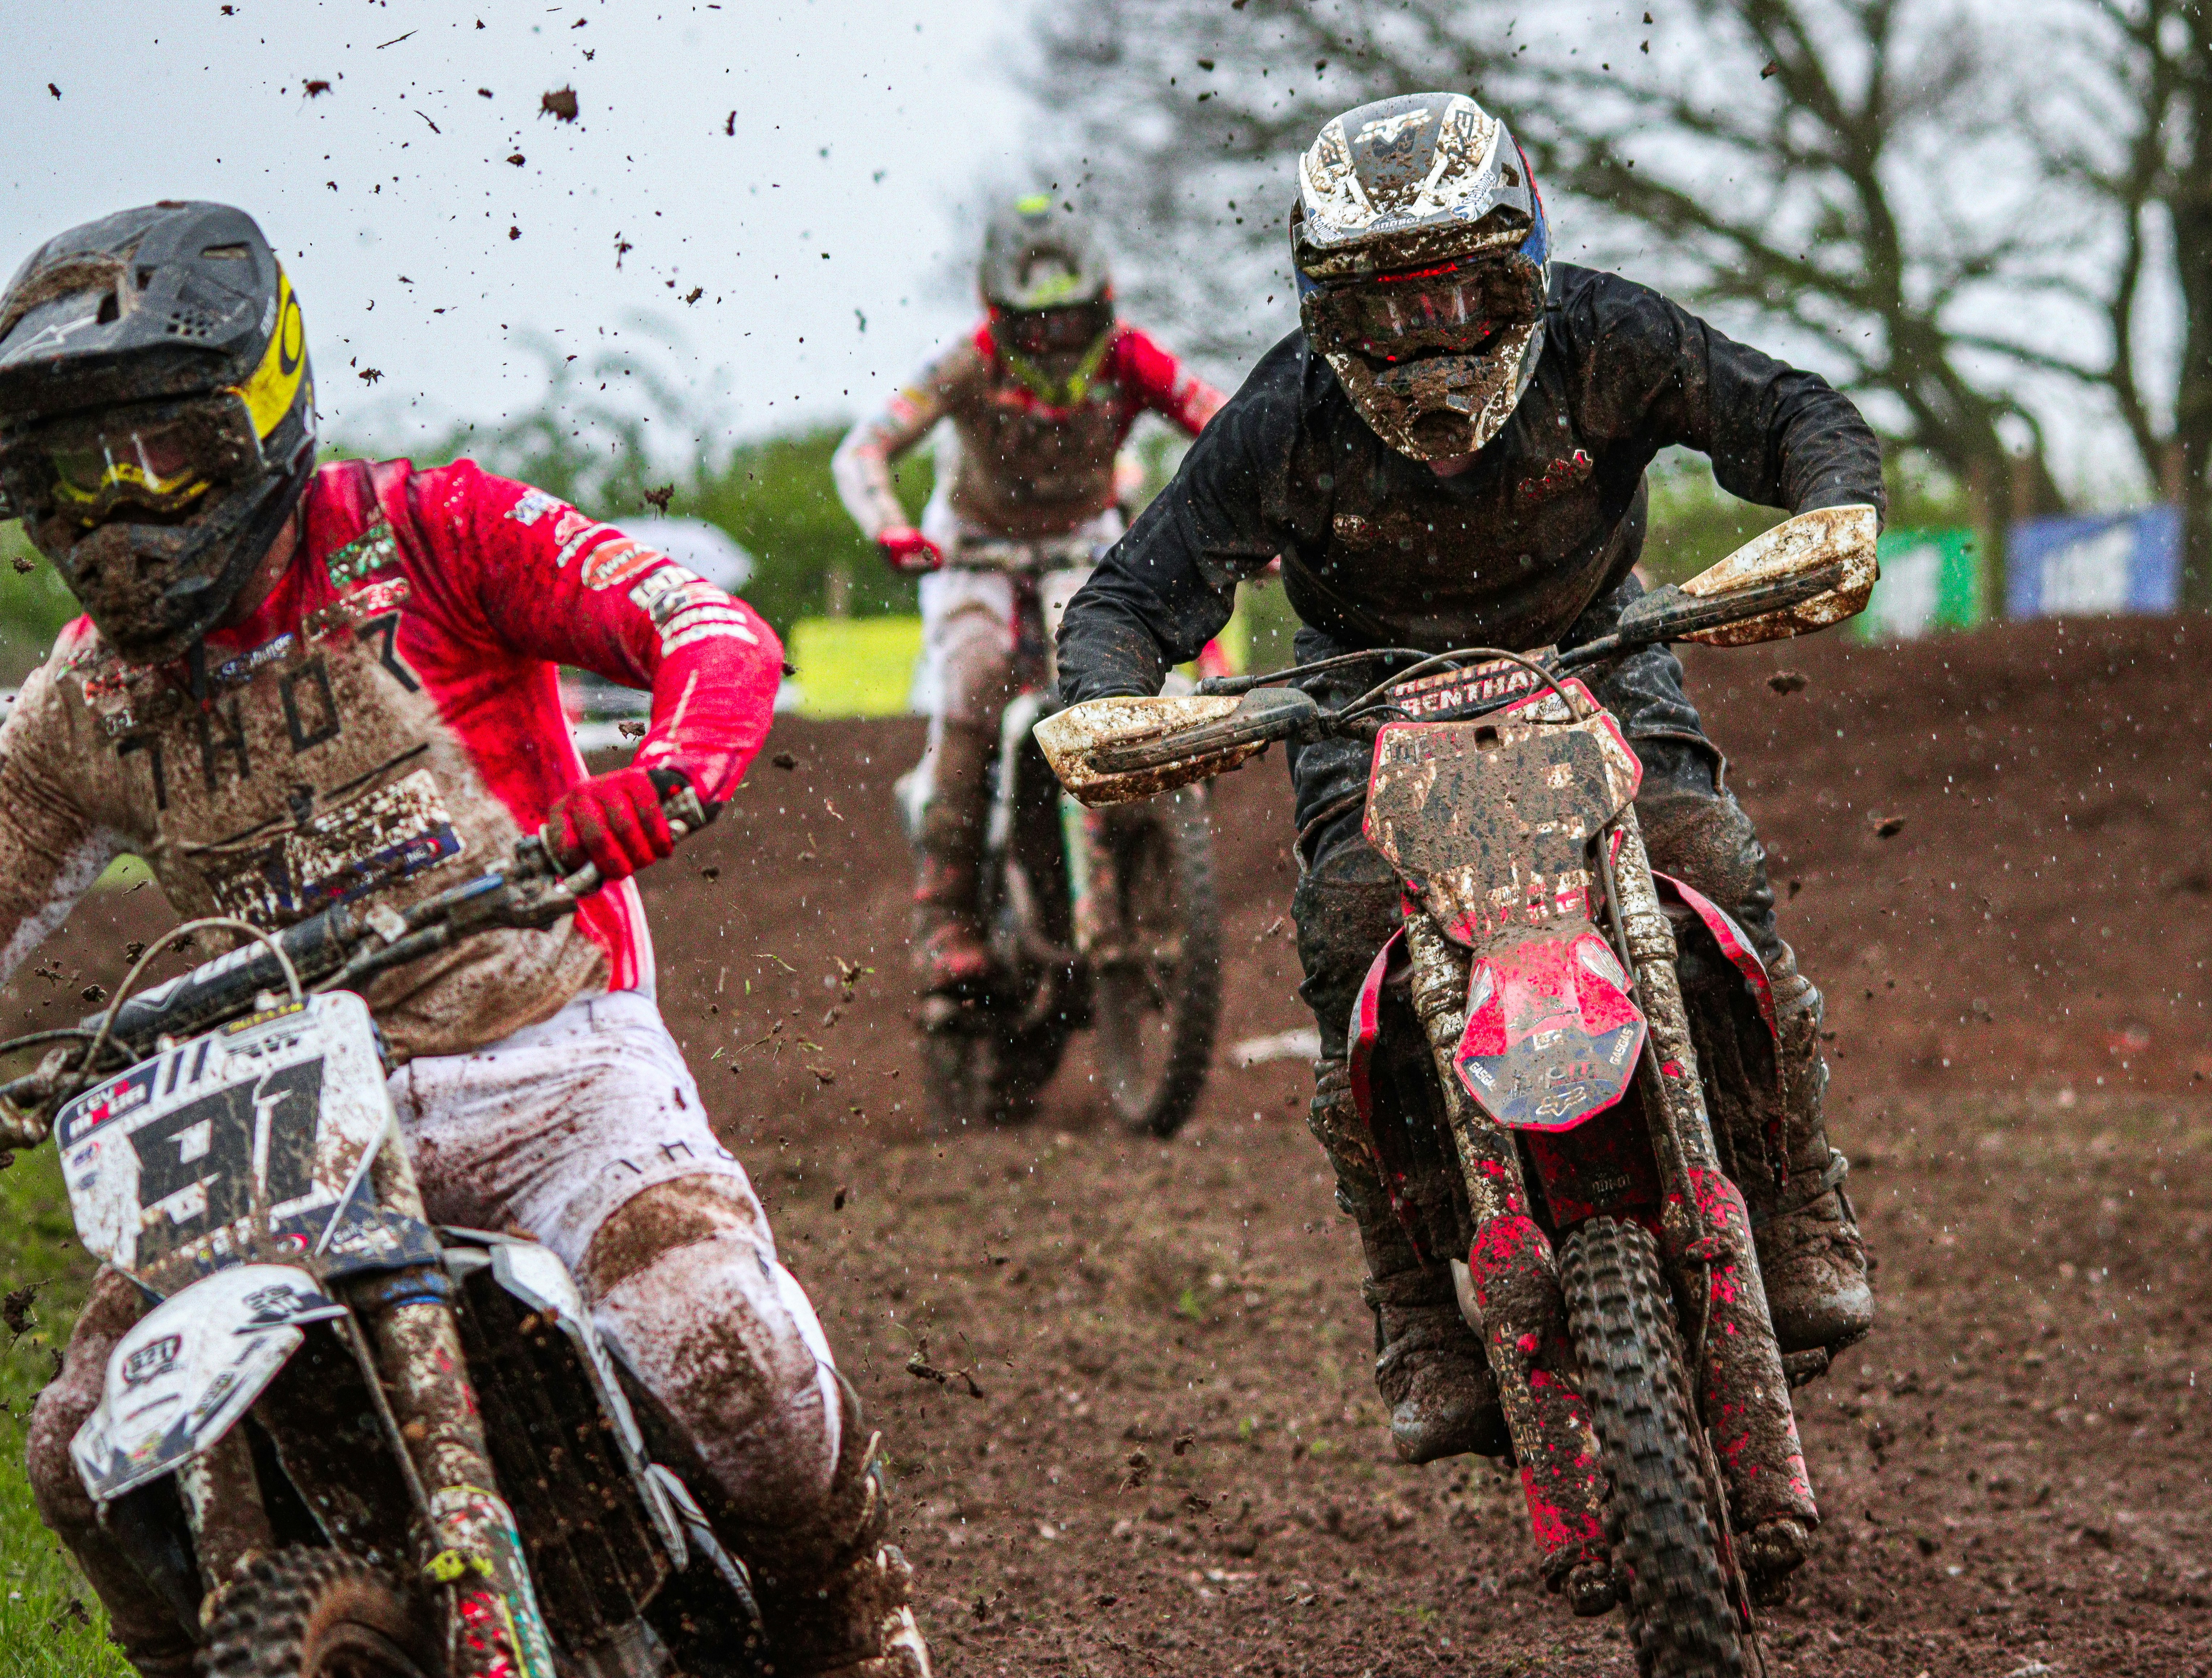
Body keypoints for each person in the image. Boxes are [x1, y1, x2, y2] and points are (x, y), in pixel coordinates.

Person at [0, 203, 926, 1678]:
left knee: (716, 1337)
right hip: (265, 1118)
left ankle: (846, 1608)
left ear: (255, 412)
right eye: (67, 474)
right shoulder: (85, 699)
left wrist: (666, 775)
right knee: (75, 1447)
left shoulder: (422, 532)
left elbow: (708, 624)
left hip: (539, 1045)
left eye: (152, 456)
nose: (112, 514)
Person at [1056, 94, 1881, 1466]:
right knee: (1345, 935)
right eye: (1385, 312)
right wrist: (1101, 702)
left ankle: (1800, 1208)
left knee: (1713, 861)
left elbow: (1790, 411)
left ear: (1529, 265)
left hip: (1599, 652)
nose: (1429, 341)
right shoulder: (1284, 420)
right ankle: (1415, 1312)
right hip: (1364, 696)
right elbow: (1132, 594)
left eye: (1464, 292)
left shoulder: (1610, 339)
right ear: (1329, 317)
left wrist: (1833, 501)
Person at [835, 193, 1226, 992]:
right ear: (998, 317)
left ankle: (1135, 843)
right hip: (973, 546)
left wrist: (1255, 513)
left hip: (1084, 544)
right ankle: (946, 917)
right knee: (976, 689)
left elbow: (1227, 430)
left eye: (1072, 323)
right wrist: (890, 526)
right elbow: (866, 447)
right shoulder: (968, 362)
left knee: (1113, 678)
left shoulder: (1134, 359)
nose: (1053, 345)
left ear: (1103, 308)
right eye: (1035, 326)